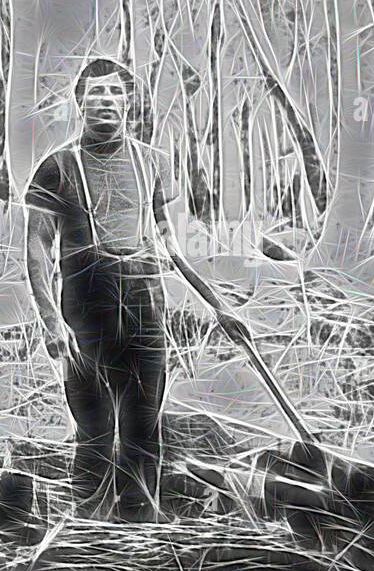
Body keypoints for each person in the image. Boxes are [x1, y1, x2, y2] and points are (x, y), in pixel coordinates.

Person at [24, 57, 250, 522]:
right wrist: (51, 322)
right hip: (87, 306)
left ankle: (138, 538)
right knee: (93, 428)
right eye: (96, 92)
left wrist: (220, 307)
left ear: (128, 102)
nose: (106, 100)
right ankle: (87, 535)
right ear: (80, 102)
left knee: (144, 428)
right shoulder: (57, 167)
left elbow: (175, 247)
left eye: (115, 92)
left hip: (146, 302)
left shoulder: (153, 163)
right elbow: (37, 250)